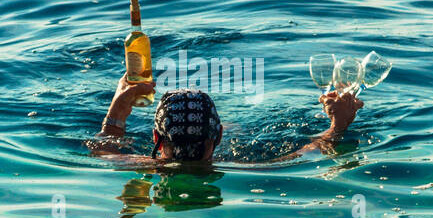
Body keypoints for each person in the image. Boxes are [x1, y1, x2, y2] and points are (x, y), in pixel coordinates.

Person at [89, 73, 364, 164]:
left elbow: (103, 148)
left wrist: (116, 110)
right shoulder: (248, 167)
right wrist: (338, 125)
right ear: (218, 137)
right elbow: (311, 149)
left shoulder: (138, 165)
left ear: (155, 139)